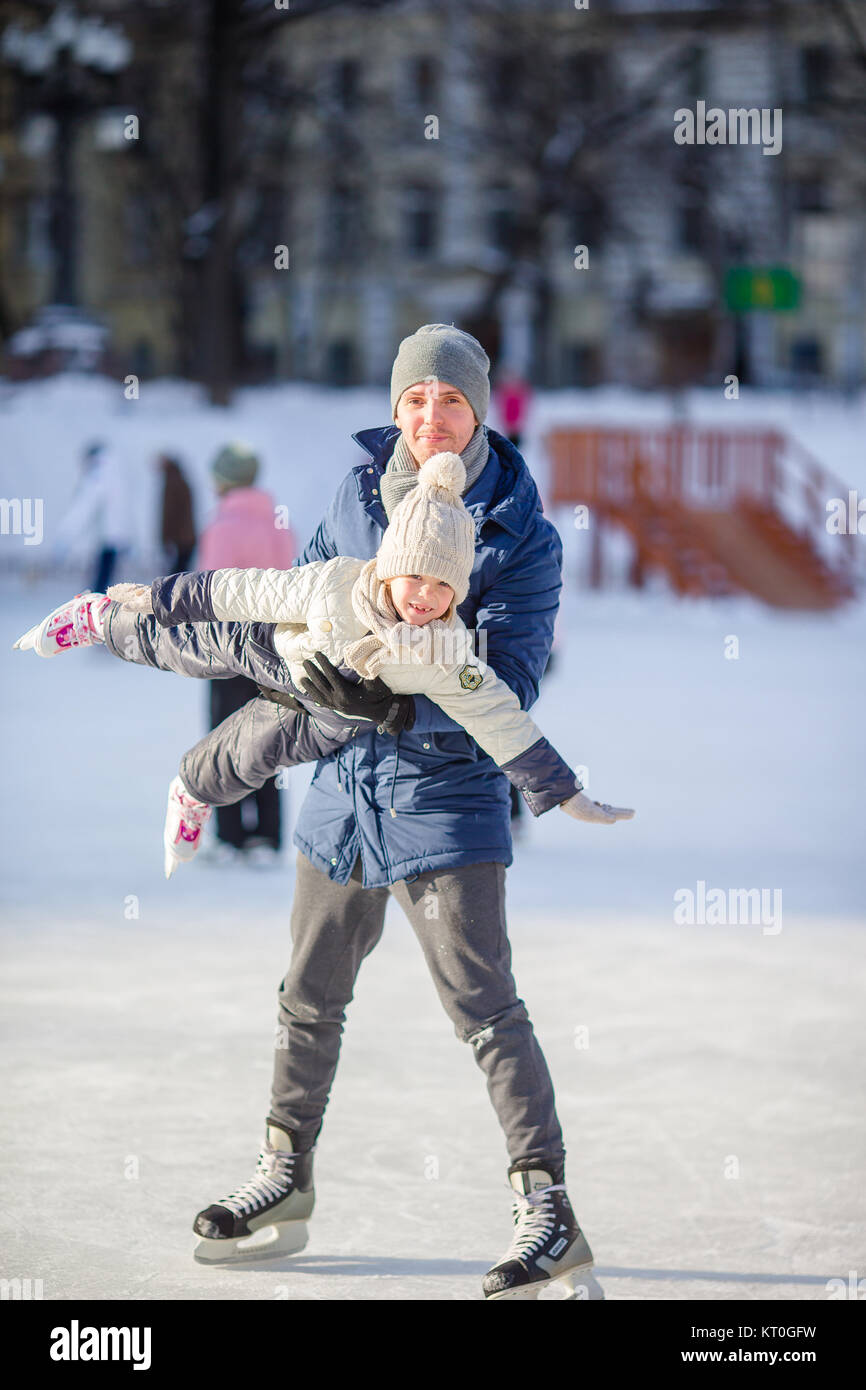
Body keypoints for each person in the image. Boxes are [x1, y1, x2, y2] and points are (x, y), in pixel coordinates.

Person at [14, 324, 623, 1301]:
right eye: (415, 400)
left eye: (451, 401)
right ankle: (284, 1173)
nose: (431, 417)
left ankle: (545, 1207)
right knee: (307, 997)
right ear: (396, 407)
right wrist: (307, 672)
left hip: (444, 800)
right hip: (340, 795)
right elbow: (291, 604)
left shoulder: (521, 533)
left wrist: (382, 692)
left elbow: (504, 681)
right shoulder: (349, 494)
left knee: (484, 1008)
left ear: (476, 414)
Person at [16, 453, 633, 884]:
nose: (424, 597)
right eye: (414, 576)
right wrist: (162, 598)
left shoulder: (445, 651)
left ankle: (190, 791)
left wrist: (563, 789)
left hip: (332, 716)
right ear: (388, 566)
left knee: (247, 757)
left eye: (443, 587)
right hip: (279, 647)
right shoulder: (335, 585)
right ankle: (98, 620)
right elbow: (245, 589)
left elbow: (497, 713)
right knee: (189, 644)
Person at [197, 442, 296, 863]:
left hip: (231, 651)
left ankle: (231, 835)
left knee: (225, 741)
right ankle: (267, 835)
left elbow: (209, 595)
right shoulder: (278, 521)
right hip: (275, 648)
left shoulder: (223, 526)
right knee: (268, 739)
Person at [53, 441, 132, 592]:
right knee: (107, 581)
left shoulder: (99, 475)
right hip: (117, 537)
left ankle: (97, 611)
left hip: (108, 538)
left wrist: (66, 534)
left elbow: (84, 507)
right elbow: (125, 509)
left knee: (100, 585)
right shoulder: (117, 472)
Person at [156, 453, 196, 574]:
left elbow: (168, 513)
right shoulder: (181, 479)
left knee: (175, 578)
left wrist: (165, 538)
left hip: (179, 539)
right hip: (187, 537)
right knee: (182, 574)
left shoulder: (171, 482)